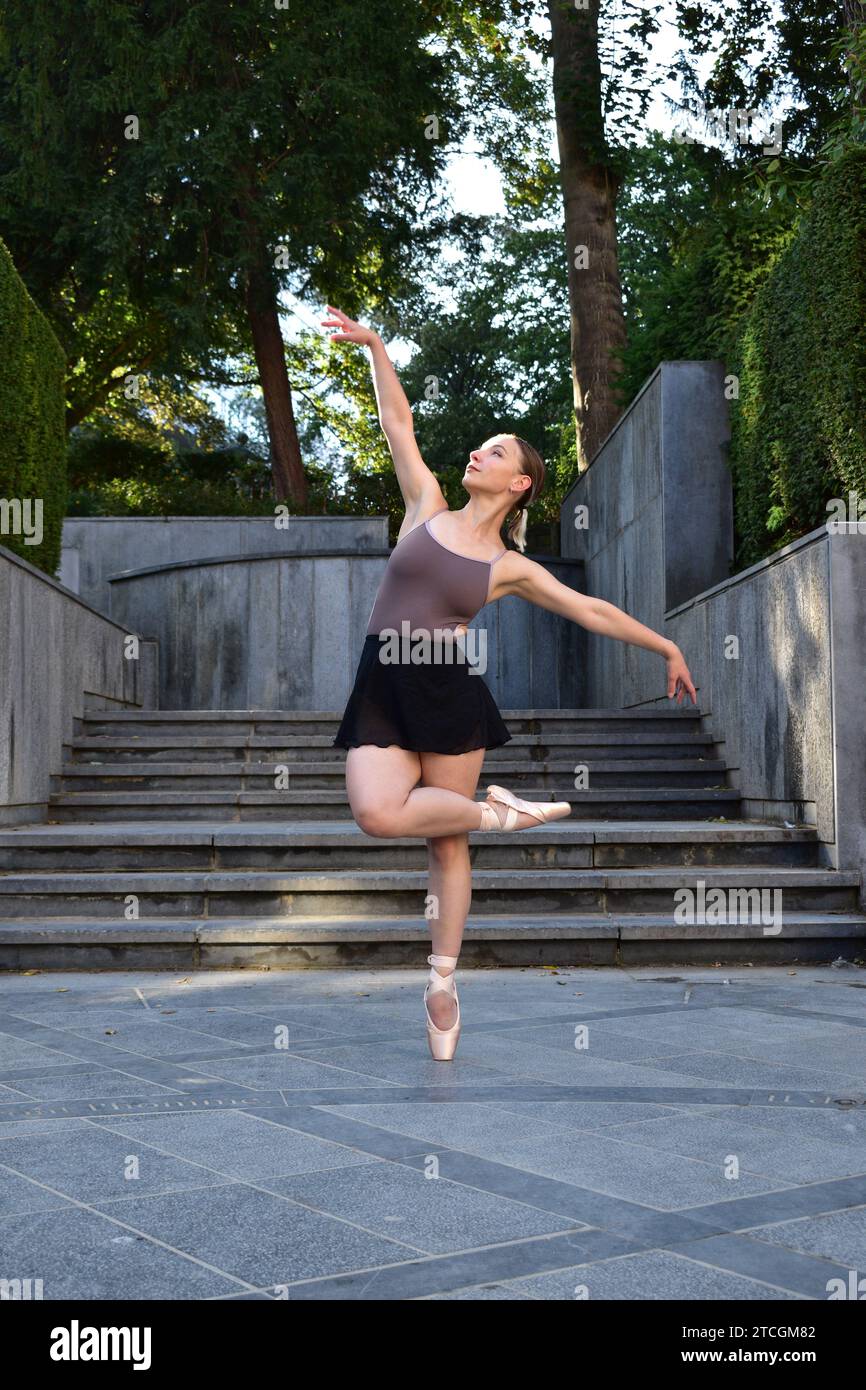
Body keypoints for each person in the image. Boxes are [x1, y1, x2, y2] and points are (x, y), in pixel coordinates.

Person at [322, 305, 697, 1062]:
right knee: (375, 813)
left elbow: (588, 608)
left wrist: (666, 645)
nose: (476, 453)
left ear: (520, 481)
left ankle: (442, 982)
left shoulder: (511, 567)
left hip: (449, 692)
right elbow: (397, 424)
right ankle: (496, 811)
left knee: (445, 845)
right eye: (478, 447)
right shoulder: (424, 508)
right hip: (383, 681)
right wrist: (376, 347)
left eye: (492, 452)